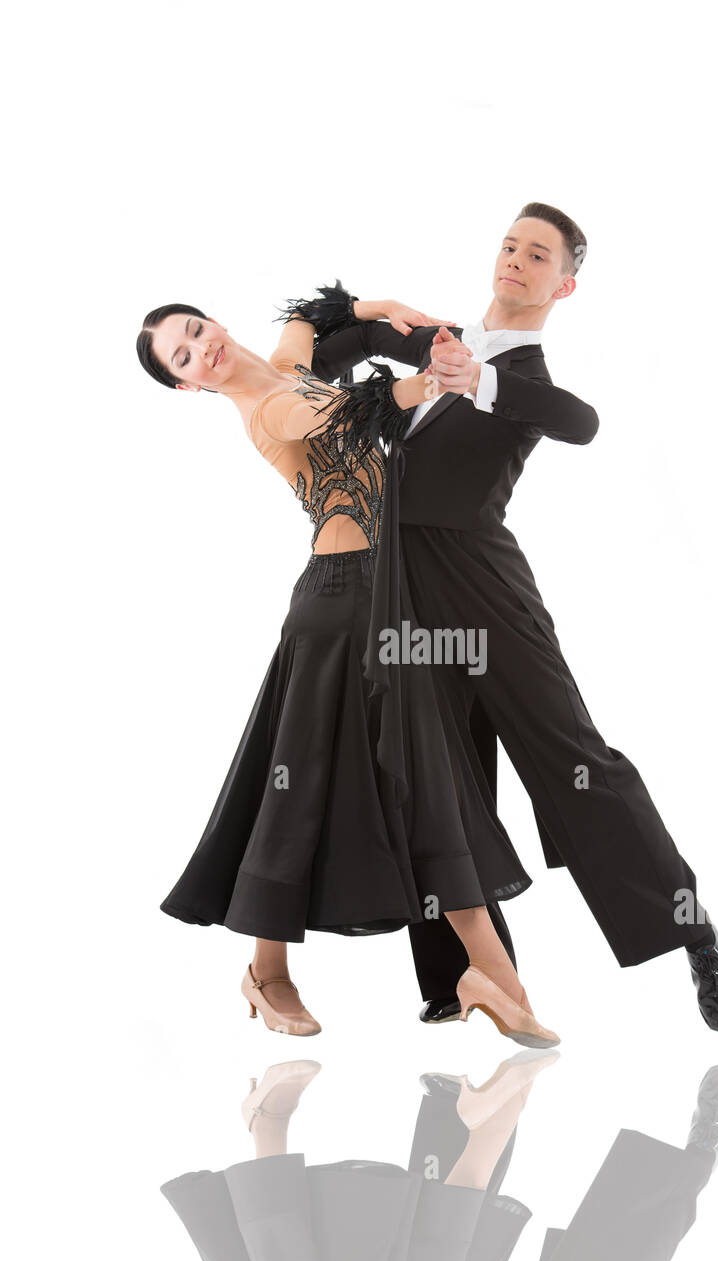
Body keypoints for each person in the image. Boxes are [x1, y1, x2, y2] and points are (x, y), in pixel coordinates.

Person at [302, 202, 718, 1033]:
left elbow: (584, 423)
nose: (516, 260)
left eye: (537, 255)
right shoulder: (434, 339)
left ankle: (691, 929)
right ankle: (467, 973)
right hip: (398, 581)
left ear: (563, 284)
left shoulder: (526, 378)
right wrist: (372, 314)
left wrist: (484, 383)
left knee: (572, 756)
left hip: (481, 582)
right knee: (426, 767)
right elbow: (321, 356)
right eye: (510, 245)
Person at [136, 288, 559, 1046]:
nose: (203, 348)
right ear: (187, 385)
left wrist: (373, 303)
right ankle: (267, 974)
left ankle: (491, 975)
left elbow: (314, 316)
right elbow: (347, 414)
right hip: (333, 613)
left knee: (428, 778)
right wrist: (432, 380)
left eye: (198, 330)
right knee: (296, 791)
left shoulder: (288, 364)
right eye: (185, 355)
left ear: (218, 323)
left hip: (393, 598)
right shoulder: (267, 414)